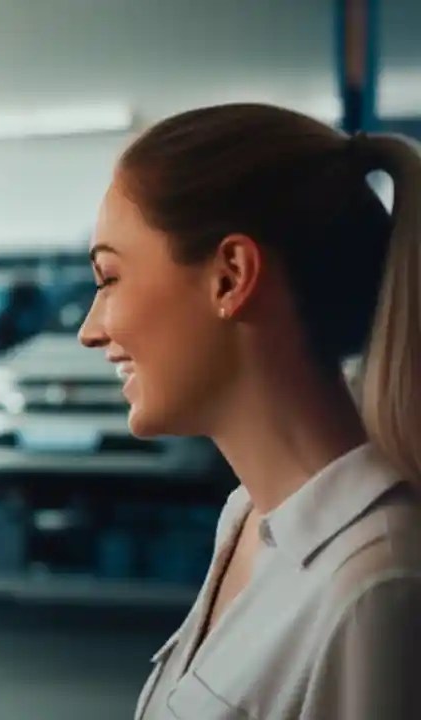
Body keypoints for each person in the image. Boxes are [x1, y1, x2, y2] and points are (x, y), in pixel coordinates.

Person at [78, 103, 421, 719]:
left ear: (230, 277)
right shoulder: (247, 519)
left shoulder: (376, 588)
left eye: (108, 278)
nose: (91, 330)